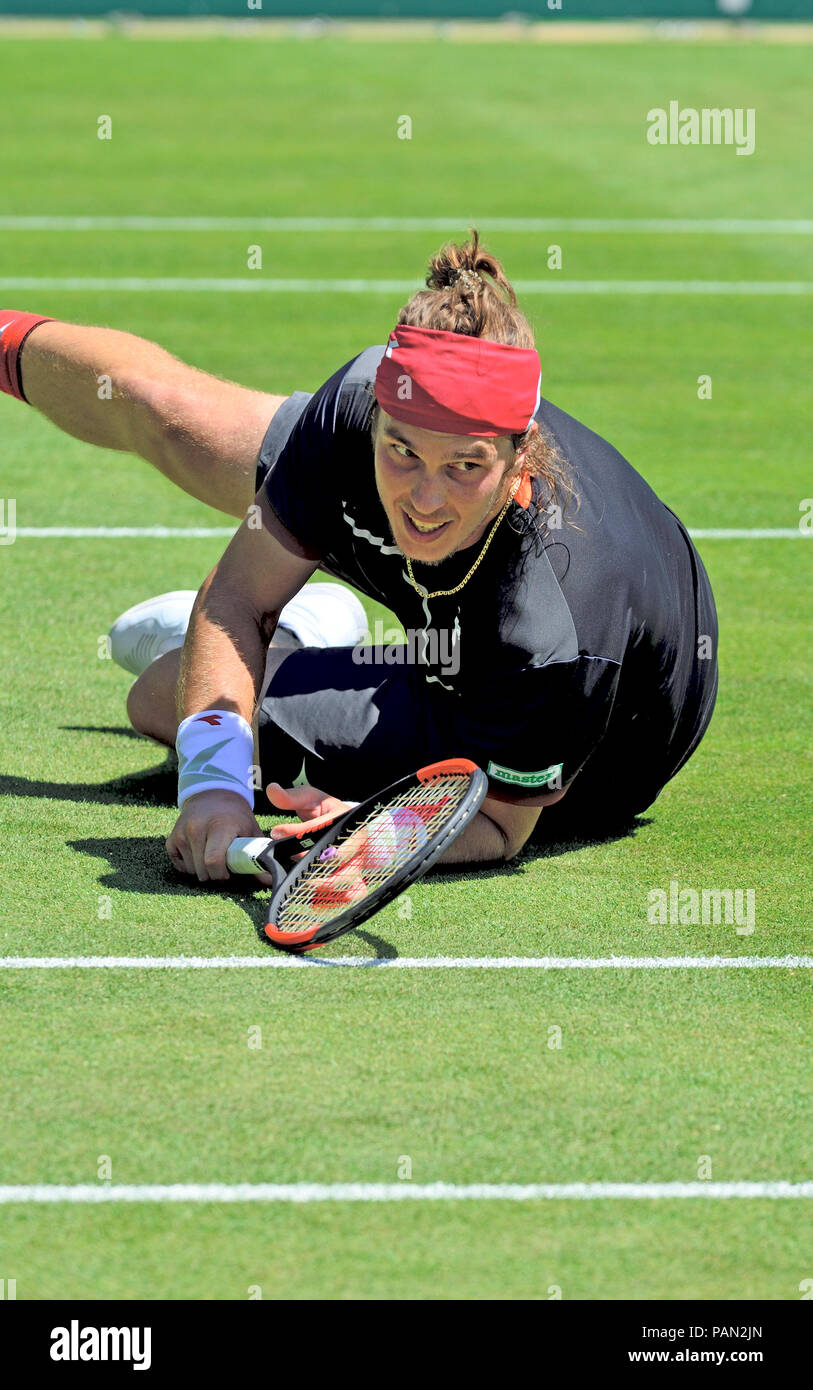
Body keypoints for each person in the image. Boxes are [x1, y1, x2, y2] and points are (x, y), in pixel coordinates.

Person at [0, 231, 718, 881]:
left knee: (161, 696)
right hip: (467, 608)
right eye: (401, 450)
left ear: (517, 455)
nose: (425, 500)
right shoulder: (355, 409)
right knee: (166, 412)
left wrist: (377, 832)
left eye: (465, 466)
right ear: (376, 411)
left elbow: (500, 825)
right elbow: (238, 597)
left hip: (582, 743)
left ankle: (304, 640)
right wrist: (213, 791)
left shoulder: (550, 631)